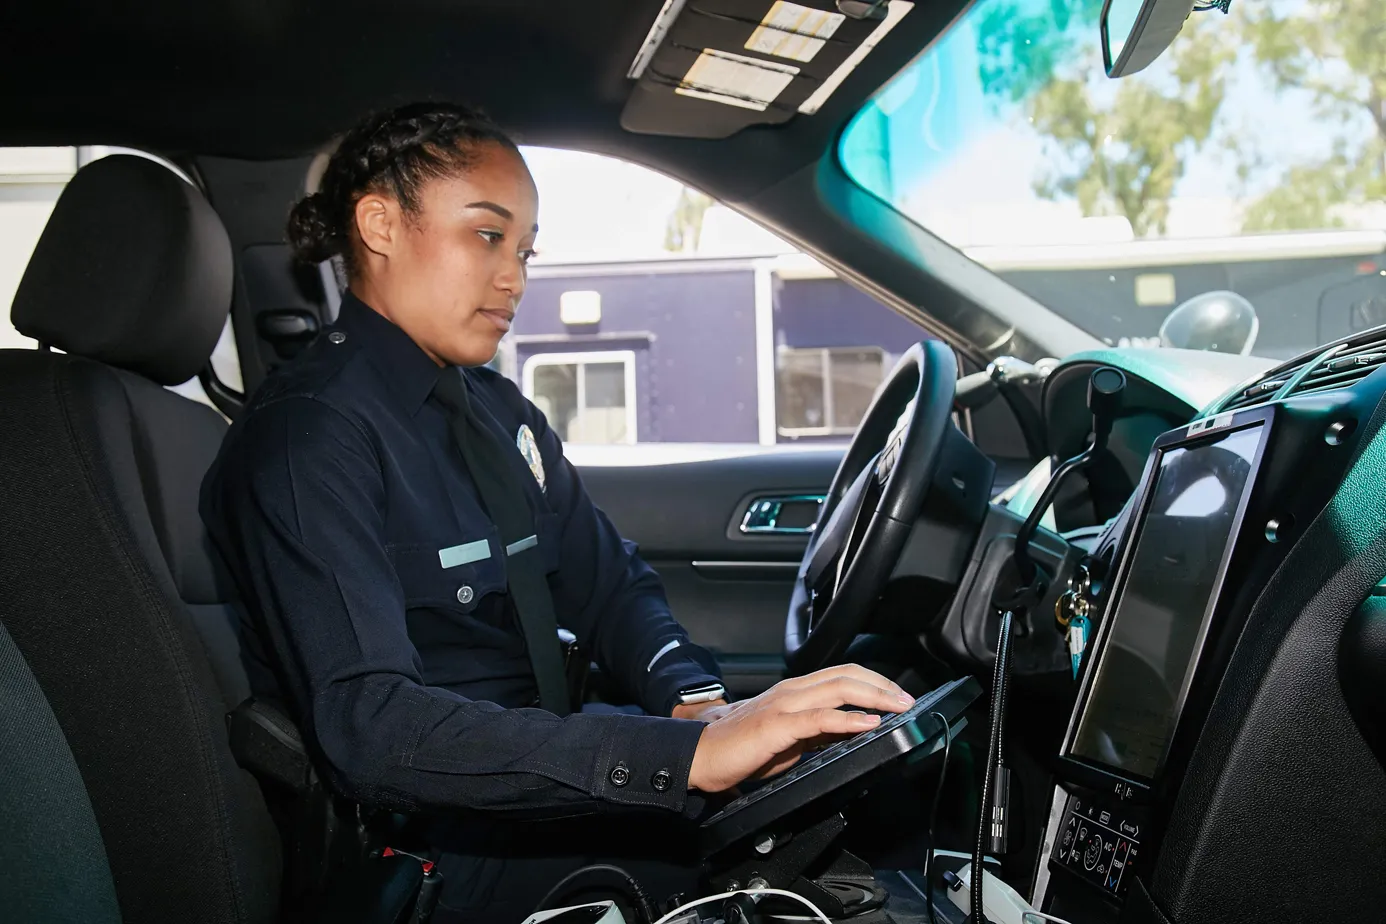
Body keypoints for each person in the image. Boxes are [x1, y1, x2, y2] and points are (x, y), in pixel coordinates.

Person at [200, 101, 914, 923]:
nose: (515, 277)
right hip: (437, 848)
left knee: (850, 818)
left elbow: (610, 587)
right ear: (380, 223)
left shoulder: (497, 413)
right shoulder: (308, 438)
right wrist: (683, 760)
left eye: (526, 249)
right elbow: (375, 729)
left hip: (546, 771)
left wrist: (691, 702)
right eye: (486, 235)